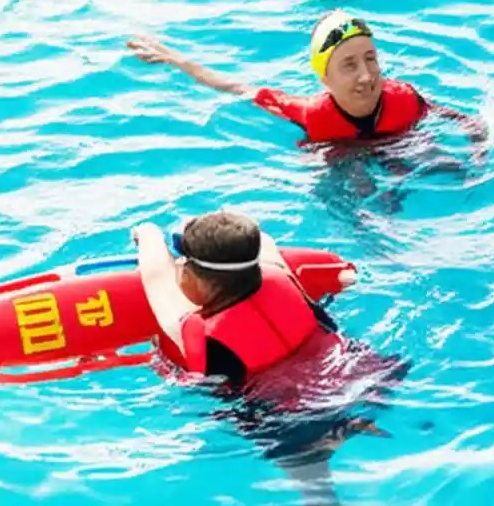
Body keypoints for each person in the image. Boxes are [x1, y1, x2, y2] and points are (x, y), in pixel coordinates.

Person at [133, 211, 400, 504]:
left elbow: (157, 276)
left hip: (296, 421)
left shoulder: (196, 331)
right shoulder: (280, 275)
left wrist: (146, 233)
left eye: (185, 266)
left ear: (201, 282)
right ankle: (354, 425)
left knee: (318, 492)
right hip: (364, 378)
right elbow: (265, 241)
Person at [126, 10, 487, 148]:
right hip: (340, 153)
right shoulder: (309, 113)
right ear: (324, 79)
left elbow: (464, 121)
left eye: (371, 59)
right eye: (349, 65)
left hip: (399, 146)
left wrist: (478, 142)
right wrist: (176, 60)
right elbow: (236, 87)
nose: (366, 75)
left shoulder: (406, 99)